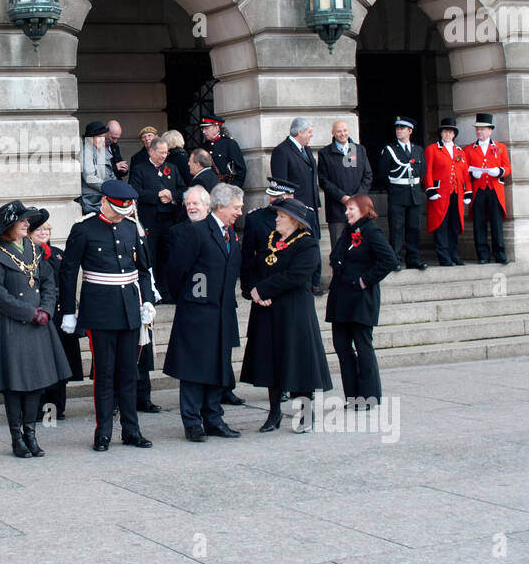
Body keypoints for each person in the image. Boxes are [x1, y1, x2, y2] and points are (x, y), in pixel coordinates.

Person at [59, 179, 155, 452]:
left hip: (129, 309)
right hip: (100, 309)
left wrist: (147, 299)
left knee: (129, 373)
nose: (121, 215)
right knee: (104, 373)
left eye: (126, 210)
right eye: (117, 209)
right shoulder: (84, 228)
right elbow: (69, 272)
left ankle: (131, 430)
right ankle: (103, 432)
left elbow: (143, 269)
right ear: (104, 201)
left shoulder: (131, 228)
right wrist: (68, 312)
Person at [0, 201, 72, 458]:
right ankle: (16, 438)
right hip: (12, 325)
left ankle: (31, 434)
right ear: (8, 226)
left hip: (39, 324)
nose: (27, 224)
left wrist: (45, 309)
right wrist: (29, 312)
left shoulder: (34, 249)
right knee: (14, 385)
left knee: (35, 383)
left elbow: (48, 282)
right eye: (21, 220)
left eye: (27, 220)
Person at [241, 198, 332, 433]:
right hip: (268, 311)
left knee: (298, 361)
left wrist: (264, 289)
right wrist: (255, 290)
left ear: (293, 221)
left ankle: (306, 413)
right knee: (272, 361)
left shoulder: (307, 244)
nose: (277, 219)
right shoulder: (271, 239)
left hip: (294, 313)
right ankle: (274, 413)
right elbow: (255, 266)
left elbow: (297, 275)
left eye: (281, 216)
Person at [163, 183, 243, 443]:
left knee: (218, 367)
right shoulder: (197, 232)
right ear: (221, 206)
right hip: (197, 313)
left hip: (222, 313)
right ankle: (192, 422)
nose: (239, 212)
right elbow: (175, 271)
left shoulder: (229, 234)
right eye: (236, 207)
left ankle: (214, 418)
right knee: (194, 369)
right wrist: (189, 299)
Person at [325, 194, 397, 405]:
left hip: (360, 299)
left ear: (364, 210)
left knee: (363, 346)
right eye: (346, 209)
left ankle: (369, 396)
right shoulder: (348, 231)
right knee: (342, 346)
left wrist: (365, 280)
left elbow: (389, 260)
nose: (346, 212)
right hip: (341, 298)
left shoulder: (371, 231)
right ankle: (353, 396)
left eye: (351, 209)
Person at [32, 218, 84, 421]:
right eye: (39, 229)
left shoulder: (58, 254)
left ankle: (56, 410)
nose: (44, 232)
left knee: (60, 365)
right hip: (41, 315)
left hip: (60, 315)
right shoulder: (27, 255)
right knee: (42, 364)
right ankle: (40, 411)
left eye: (47, 229)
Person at [271, 118, 323, 293]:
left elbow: (312, 179)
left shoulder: (306, 150)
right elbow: (281, 184)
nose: (311, 134)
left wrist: (316, 202)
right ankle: (307, 284)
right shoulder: (282, 151)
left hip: (311, 208)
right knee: (301, 246)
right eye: (309, 131)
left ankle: (315, 283)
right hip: (296, 211)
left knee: (313, 243)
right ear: (299, 132)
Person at [129, 136, 179, 299]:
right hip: (149, 220)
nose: (164, 156)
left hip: (169, 220)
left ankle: (168, 291)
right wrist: (156, 195)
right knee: (150, 256)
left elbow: (183, 189)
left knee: (168, 255)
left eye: (166, 152)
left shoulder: (172, 168)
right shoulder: (140, 169)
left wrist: (172, 196)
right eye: (161, 152)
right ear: (151, 151)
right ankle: (152, 292)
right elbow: (135, 192)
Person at [381, 116, 428, 271]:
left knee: (414, 228)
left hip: (414, 194)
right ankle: (395, 260)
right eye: (397, 128)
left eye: (402, 129)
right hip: (397, 195)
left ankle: (413, 259)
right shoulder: (390, 150)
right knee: (396, 229)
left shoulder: (418, 150)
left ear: (410, 131)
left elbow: (422, 171)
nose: (399, 131)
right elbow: (383, 174)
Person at [316, 119, 373, 248]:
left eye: (345, 130)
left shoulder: (359, 150)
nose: (342, 134)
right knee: (339, 247)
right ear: (333, 133)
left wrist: (357, 198)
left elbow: (368, 175)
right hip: (337, 210)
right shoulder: (325, 153)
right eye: (339, 131)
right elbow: (324, 180)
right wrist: (343, 197)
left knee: (359, 248)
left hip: (359, 209)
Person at [464, 113, 511, 264]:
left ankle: (500, 253)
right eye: (478, 129)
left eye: (483, 129)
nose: (479, 132)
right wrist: (472, 174)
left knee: (496, 223)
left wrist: (499, 171)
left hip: (494, 189)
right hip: (478, 189)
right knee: (479, 223)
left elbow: (507, 167)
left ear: (490, 130)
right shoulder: (469, 149)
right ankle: (483, 255)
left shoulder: (500, 147)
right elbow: (464, 170)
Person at [425, 118, 471, 266]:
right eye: (445, 131)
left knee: (454, 224)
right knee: (441, 224)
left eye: (450, 132)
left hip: (456, 193)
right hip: (440, 193)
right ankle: (443, 256)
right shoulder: (432, 149)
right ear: (441, 133)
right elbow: (428, 171)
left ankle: (454, 254)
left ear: (454, 134)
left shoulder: (460, 151)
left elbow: (465, 173)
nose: (447, 134)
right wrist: (430, 188)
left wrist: (468, 191)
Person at [200, 114, 246, 187]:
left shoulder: (229, 144)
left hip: (225, 189)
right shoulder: (204, 147)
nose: (203, 132)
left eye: (206, 128)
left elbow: (240, 170)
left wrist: (233, 190)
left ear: (217, 127)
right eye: (202, 129)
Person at [80, 120, 114, 213]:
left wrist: (116, 187)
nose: (102, 140)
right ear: (90, 138)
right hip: (92, 200)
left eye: (103, 137)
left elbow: (111, 173)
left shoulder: (102, 151)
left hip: (106, 197)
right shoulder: (85, 152)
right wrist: (109, 188)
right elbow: (89, 178)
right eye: (99, 137)